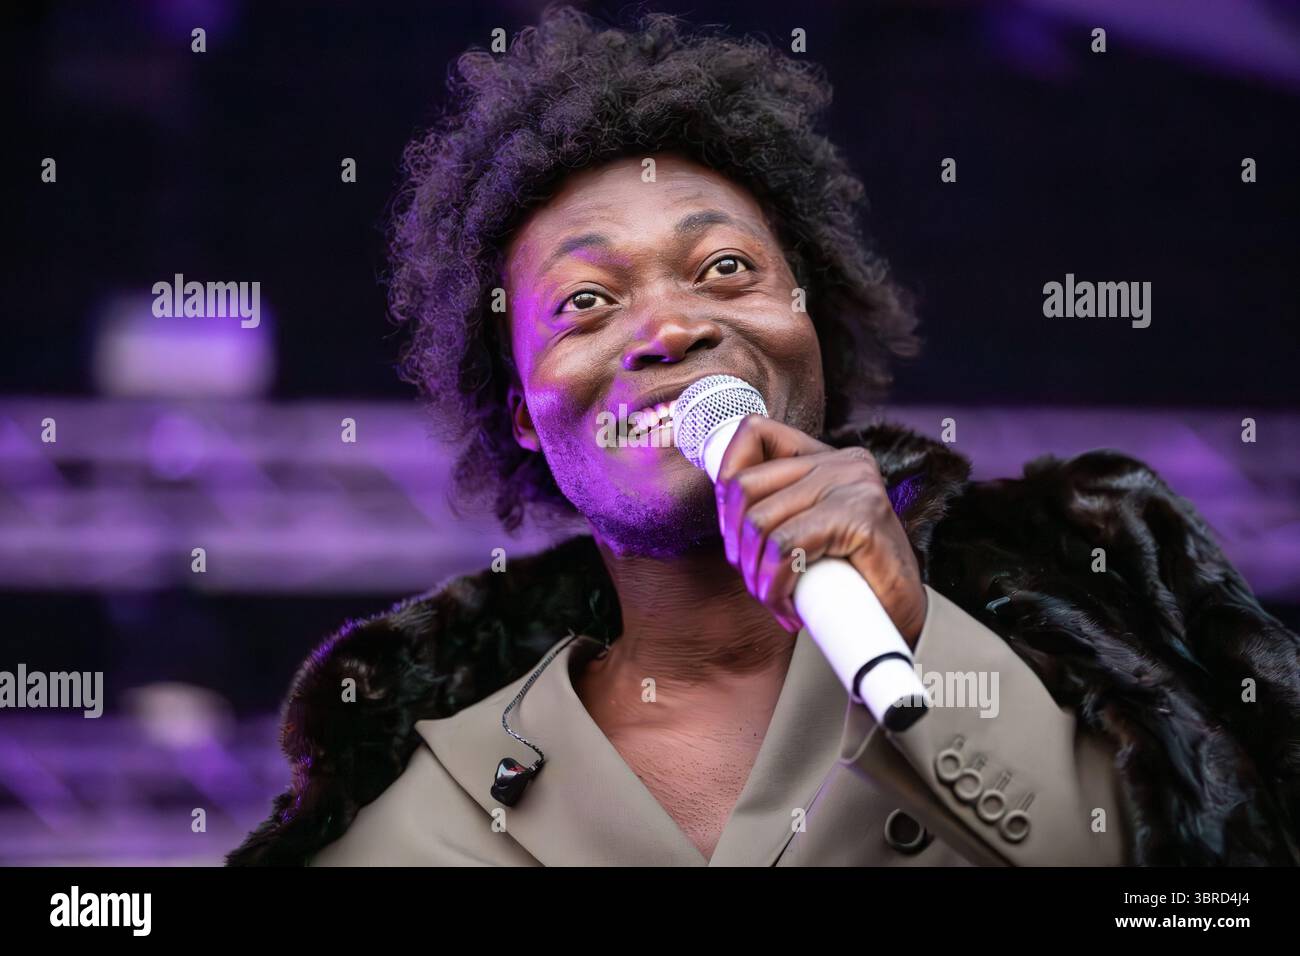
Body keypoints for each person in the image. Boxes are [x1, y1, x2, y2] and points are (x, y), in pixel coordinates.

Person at [229, 6, 1299, 866]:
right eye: (587, 302)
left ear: (812, 323)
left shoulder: (1110, 674)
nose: (670, 325)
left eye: (725, 269)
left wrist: (923, 645)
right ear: (520, 406)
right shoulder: (409, 817)